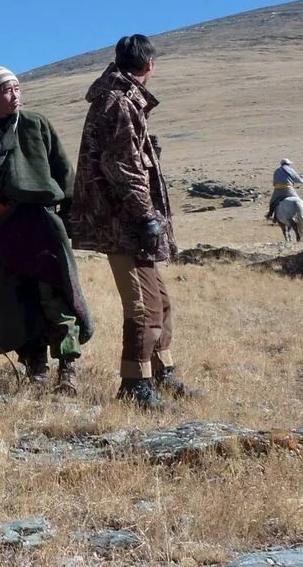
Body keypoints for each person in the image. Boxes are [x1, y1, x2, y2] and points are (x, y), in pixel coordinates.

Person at [0, 67, 92, 393]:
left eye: (17, 88)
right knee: (15, 301)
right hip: (1, 231)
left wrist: (70, 218)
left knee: (57, 297)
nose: (16, 95)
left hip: (41, 224)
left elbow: (64, 173)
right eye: (8, 90)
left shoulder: (37, 124)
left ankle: (68, 369)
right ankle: (35, 369)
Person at [73, 35, 195, 408]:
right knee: (144, 304)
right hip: (122, 221)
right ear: (150, 65)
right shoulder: (121, 102)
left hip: (125, 219)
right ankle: (135, 384)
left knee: (160, 299)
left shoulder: (120, 98)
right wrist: (145, 216)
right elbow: (122, 166)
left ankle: (162, 372)